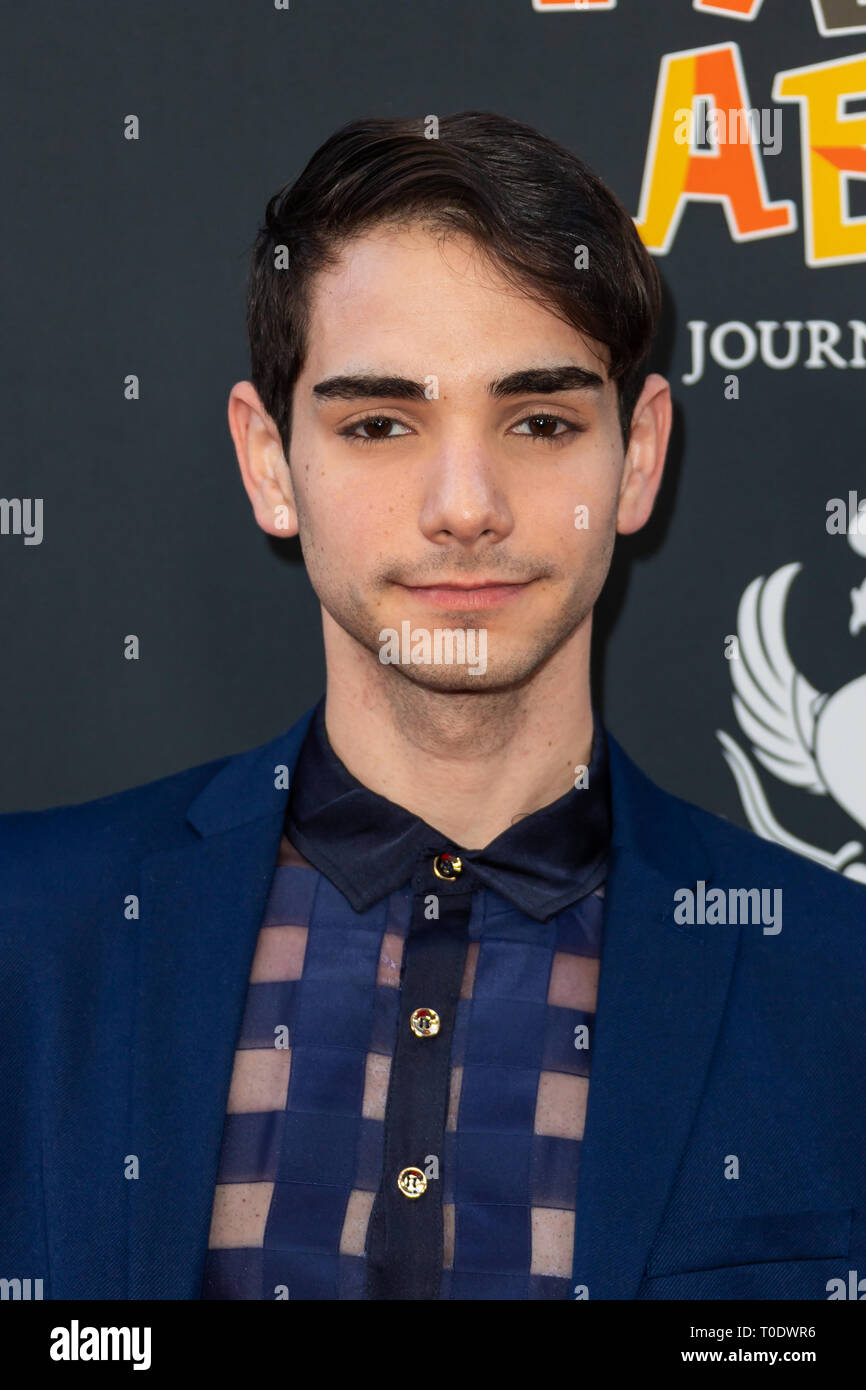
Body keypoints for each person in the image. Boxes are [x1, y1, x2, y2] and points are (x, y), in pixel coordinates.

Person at [2, 111, 864, 1302]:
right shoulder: (27, 934)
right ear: (269, 463)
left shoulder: (836, 982)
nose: (465, 505)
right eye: (379, 424)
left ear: (640, 456)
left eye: (541, 421)